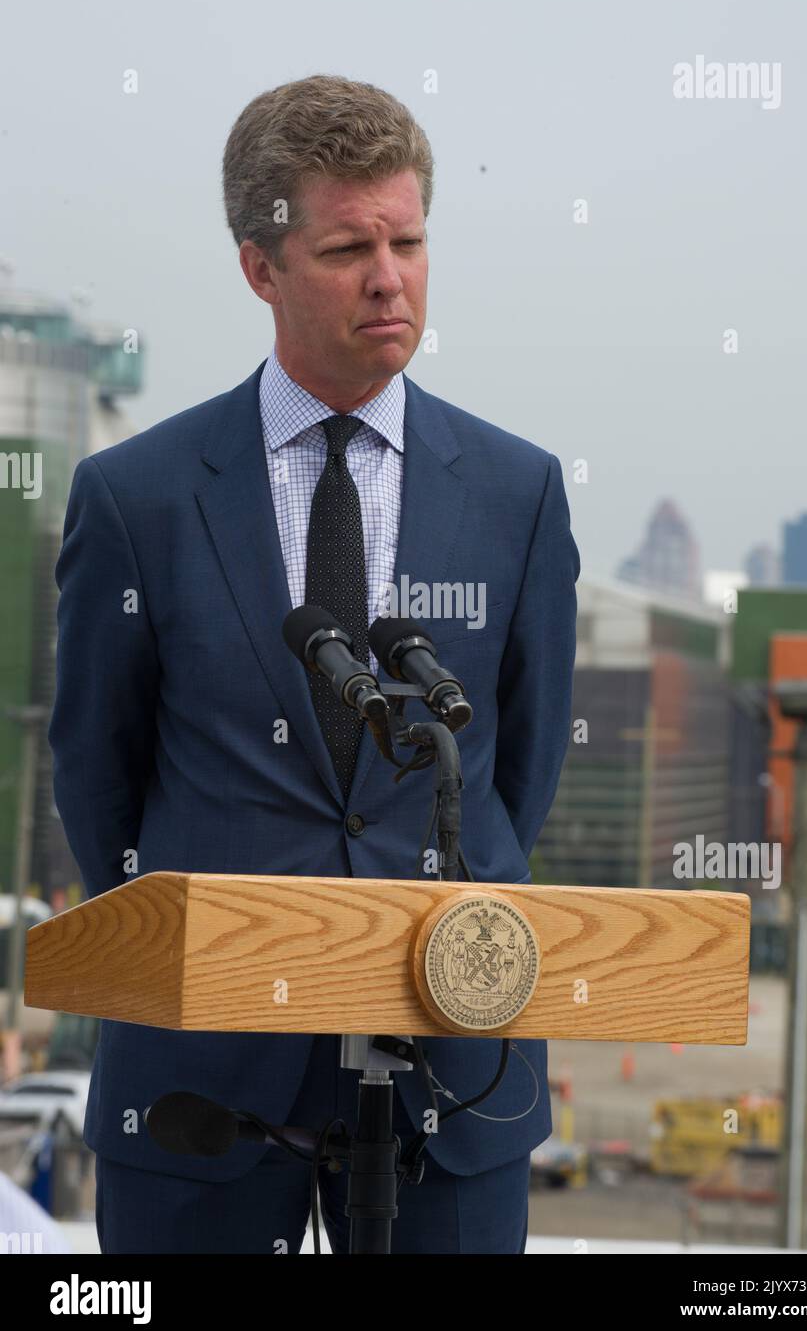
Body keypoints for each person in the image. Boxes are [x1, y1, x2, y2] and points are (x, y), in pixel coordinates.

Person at [48, 74, 580, 1254]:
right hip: (198, 1073)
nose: (390, 275)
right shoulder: (134, 499)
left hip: (454, 1058)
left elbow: (511, 770)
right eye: (347, 246)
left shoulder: (519, 493)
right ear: (261, 265)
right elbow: (97, 770)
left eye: (408, 239)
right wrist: (197, 940)